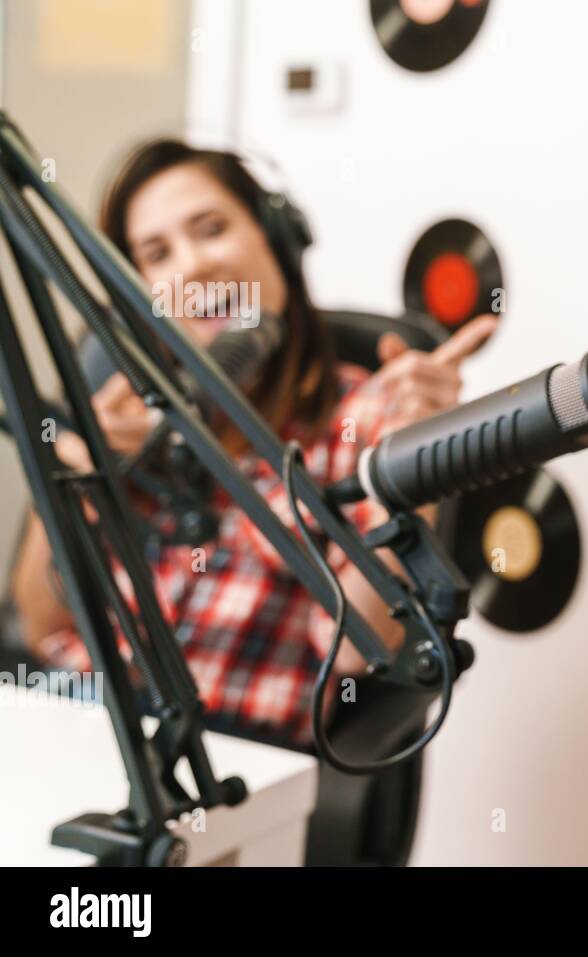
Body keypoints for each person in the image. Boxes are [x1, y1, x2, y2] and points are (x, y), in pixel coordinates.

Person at [5, 139, 496, 748]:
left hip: (223, 755)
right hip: (68, 718)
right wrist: (68, 479)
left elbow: (358, 649)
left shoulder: (365, 413)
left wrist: (417, 457)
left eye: (210, 230)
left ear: (276, 241)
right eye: (156, 254)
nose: (191, 267)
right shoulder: (126, 408)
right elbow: (37, 625)